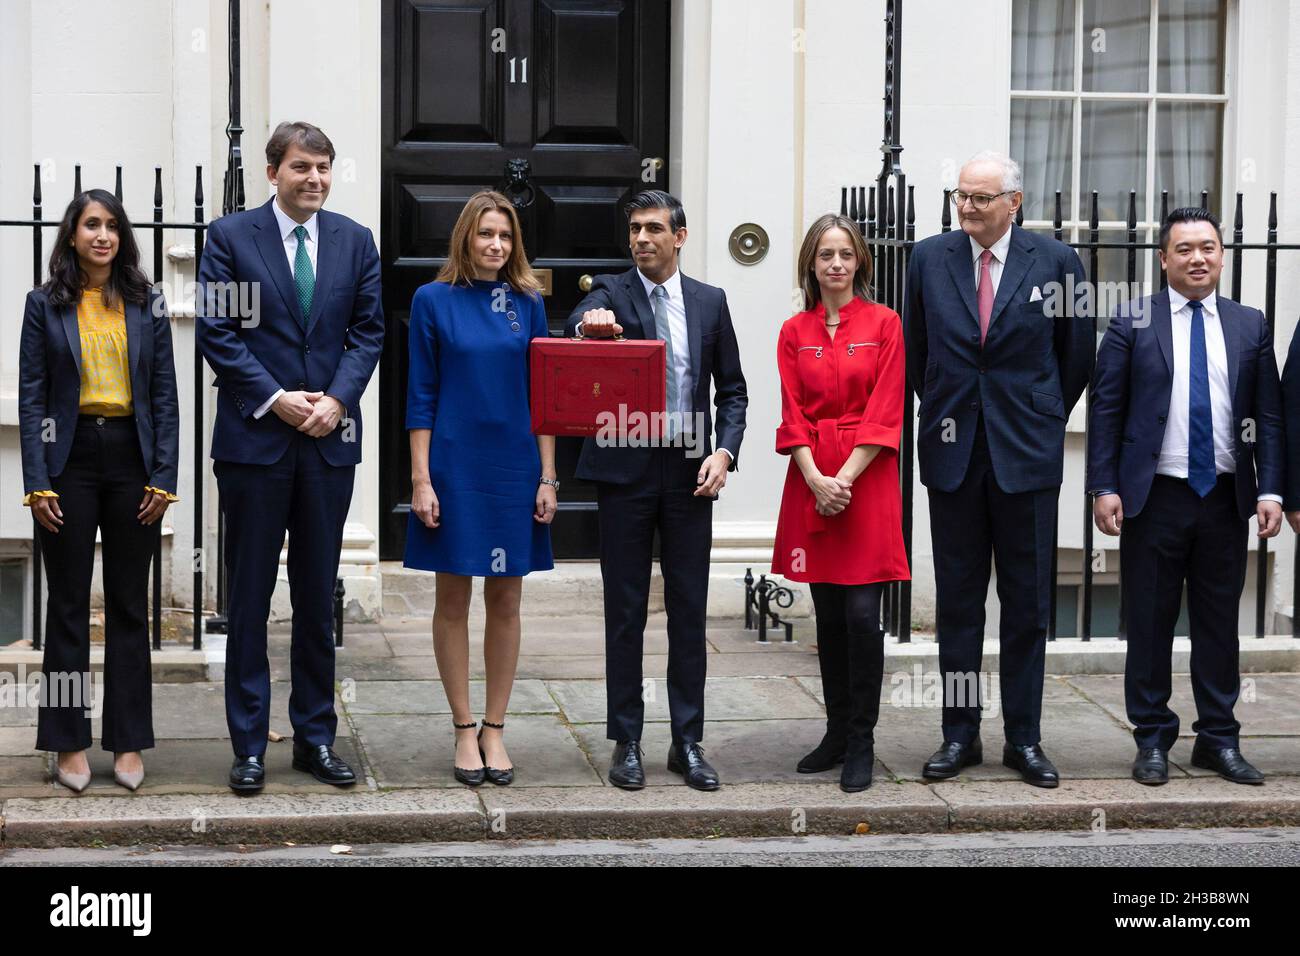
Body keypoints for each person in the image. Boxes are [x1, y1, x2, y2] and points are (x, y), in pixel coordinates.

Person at [197, 121, 385, 793]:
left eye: (325, 168)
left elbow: (368, 332)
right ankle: (248, 745)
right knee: (248, 599)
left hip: (328, 444)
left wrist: (336, 401)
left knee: (315, 596)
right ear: (273, 172)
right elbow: (217, 333)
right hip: (255, 445)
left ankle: (315, 737)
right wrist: (276, 399)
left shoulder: (354, 242)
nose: (315, 179)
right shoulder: (229, 239)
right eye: (302, 167)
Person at [903, 151, 1093, 788]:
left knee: (1027, 606)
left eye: (981, 198)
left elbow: (1076, 356)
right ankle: (959, 735)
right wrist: (952, 414)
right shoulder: (930, 258)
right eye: (961, 196)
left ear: (1015, 202)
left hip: (1028, 456)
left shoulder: (1059, 262)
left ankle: (1024, 737)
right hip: (954, 454)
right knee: (958, 605)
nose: (967, 207)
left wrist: (1039, 418)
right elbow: (917, 351)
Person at [1090, 207, 1282, 786]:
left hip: (1225, 497)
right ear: (1164, 258)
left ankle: (1218, 740)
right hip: (1156, 496)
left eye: (1208, 248)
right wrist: (1103, 486)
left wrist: (1270, 487)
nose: (1198, 258)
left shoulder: (1250, 324)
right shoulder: (1132, 322)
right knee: (1148, 622)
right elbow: (1106, 409)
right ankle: (1151, 739)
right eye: (1185, 249)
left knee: (1219, 624)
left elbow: (1268, 416)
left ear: (1221, 256)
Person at [565, 190, 747, 792]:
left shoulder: (710, 302)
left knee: (689, 611)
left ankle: (687, 742)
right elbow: (577, 324)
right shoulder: (610, 294)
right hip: (625, 473)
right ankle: (628, 742)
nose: (641, 239)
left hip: (692, 473)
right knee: (625, 610)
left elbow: (733, 392)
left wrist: (725, 452)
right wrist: (589, 326)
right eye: (634, 230)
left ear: (680, 236)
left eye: (652, 230)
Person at [18, 189, 179, 792]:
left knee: (129, 605)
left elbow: (164, 393)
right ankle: (66, 742)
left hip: (132, 460)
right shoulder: (44, 304)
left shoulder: (147, 302)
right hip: (69, 461)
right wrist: (36, 481)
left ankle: (129, 740)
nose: (102, 235)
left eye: (112, 225)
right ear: (73, 235)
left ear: (122, 237)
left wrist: (164, 476)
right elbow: (32, 396)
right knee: (66, 605)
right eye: (91, 225)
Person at [404, 190, 556, 787]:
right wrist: (421, 478)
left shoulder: (528, 303)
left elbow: (545, 398)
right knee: (452, 600)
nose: (496, 245)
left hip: (514, 465)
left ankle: (496, 726)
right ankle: (463, 727)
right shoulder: (431, 301)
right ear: (466, 238)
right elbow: (421, 394)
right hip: (453, 464)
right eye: (485, 234)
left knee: (507, 599)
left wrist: (547, 476)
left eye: (506, 236)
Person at [771, 214, 909, 792]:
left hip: (865, 479)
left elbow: (886, 409)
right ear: (811, 263)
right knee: (827, 615)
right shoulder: (792, 330)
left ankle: (863, 738)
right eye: (825, 254)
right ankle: (834, 730)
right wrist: (816, 477)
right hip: (812, 478)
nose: (835, 264)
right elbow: (791, 413)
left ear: (860, 263)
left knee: (860, 615)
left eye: (845, 254)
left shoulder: (885, 323)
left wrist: (843, 479)